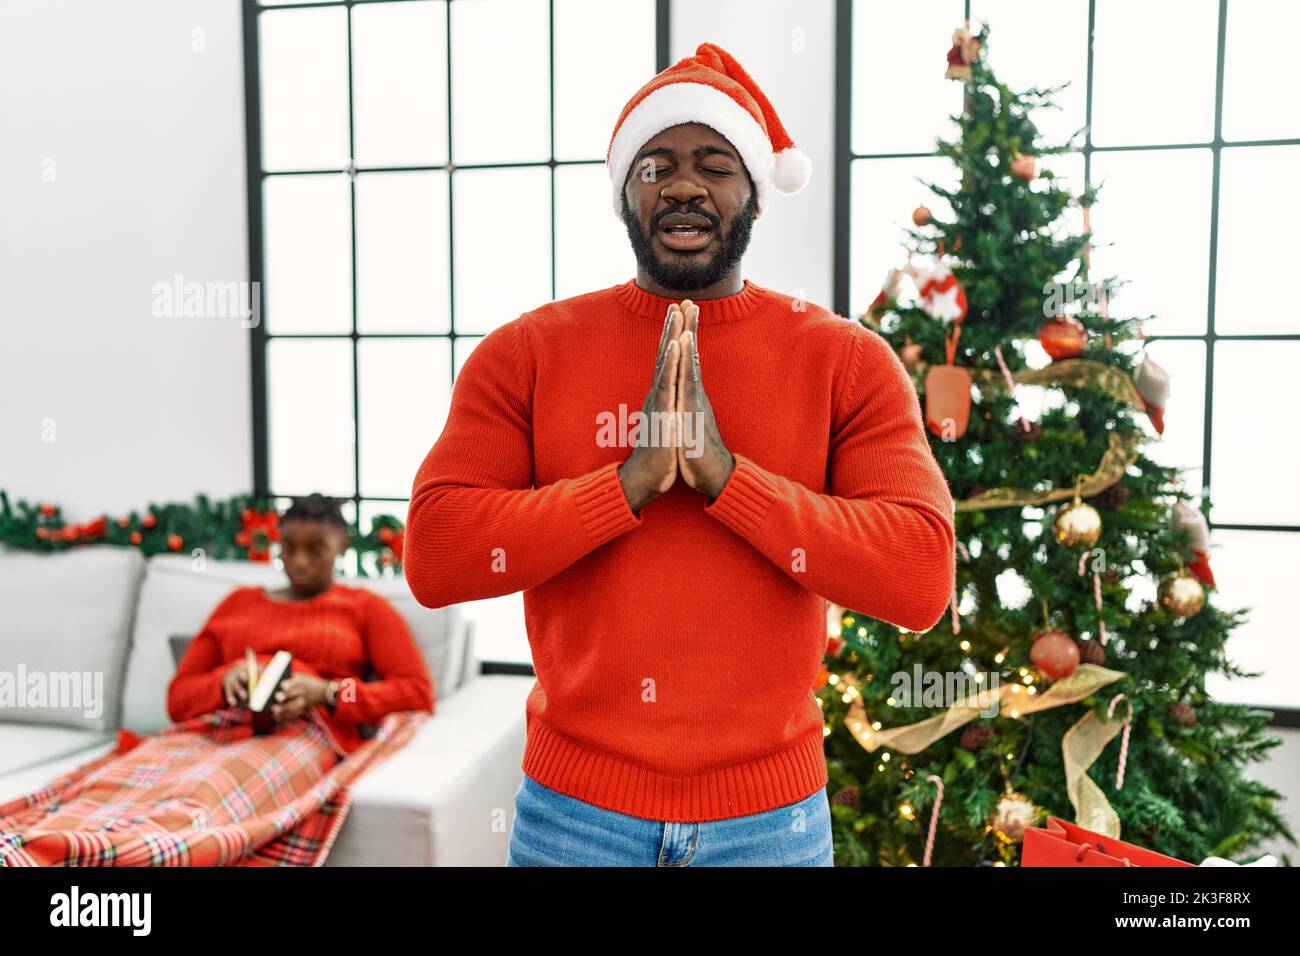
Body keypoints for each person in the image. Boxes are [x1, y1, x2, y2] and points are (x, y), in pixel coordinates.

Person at [404, 42, 955, 867]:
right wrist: (626, 486)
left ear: (756, 196)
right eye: (654, 164)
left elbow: (919, 579)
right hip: (574, 819)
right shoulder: (526, 352)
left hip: (772, 825)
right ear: (626, 195)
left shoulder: (846, 360)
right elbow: (438, 556)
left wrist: (726, 478)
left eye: (716, 164)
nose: (684, 184)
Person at [0, 494, 433, 866]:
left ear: (340, 546)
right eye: (289, 547)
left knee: (202, 796)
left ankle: (103, 856)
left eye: (316, 549)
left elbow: (415, 691)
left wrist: (329, 692)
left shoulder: (363, 609)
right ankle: (33, 850)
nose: (299, 562)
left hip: (299, 734)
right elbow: (180, 699)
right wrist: (225, 680)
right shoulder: (238, 604)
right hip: (210, 728)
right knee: (110, 787)